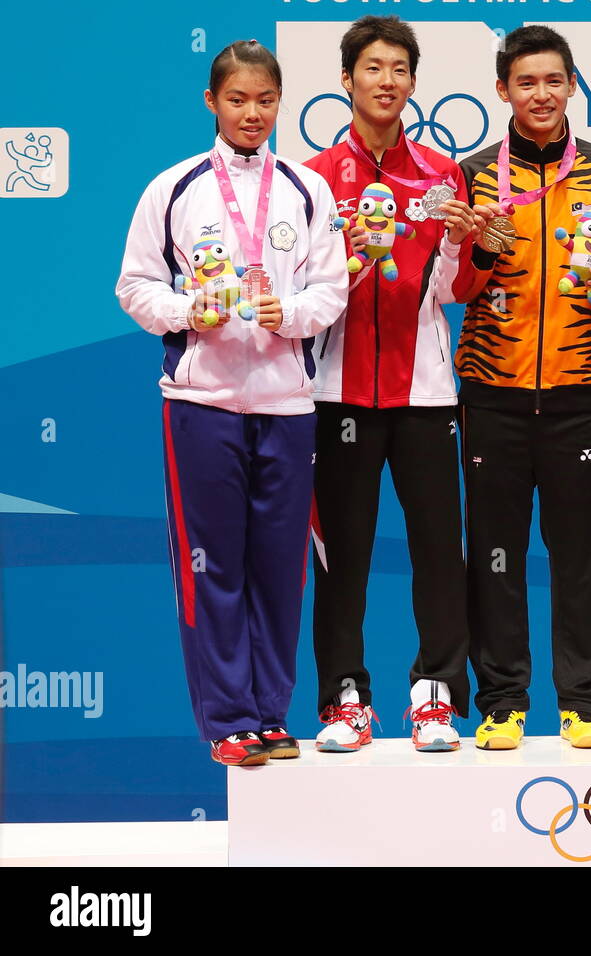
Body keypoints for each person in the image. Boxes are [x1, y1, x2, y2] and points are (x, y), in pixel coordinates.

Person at [116, 40, 348, 766]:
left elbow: (331, 288)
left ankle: (270, 714)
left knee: (279, 568)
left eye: (266, 100)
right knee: (212, 566)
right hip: (201, 401)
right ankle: (227, 719)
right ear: (211, 102)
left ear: (280, 103)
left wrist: (292, 314)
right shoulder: (173, 189)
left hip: (288, 405)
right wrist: (187, 311)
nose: (253, 113)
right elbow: (135, 286)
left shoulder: (307, 188)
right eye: (238, 99)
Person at [454, 25, 591, 750]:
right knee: (494, 553)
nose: (541, 94)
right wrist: (480, 248)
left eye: (553, 81)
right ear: (503, 89)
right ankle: (501, 701)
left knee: (581, 554)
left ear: (572, 86)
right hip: (491, 390)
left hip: (580, 391)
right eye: (526, 82)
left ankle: (583, 702)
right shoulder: (473, 174)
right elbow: (456, 286)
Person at [304, 15, 477, 754]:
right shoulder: (311, 178)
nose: (386, 80)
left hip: (426, 394)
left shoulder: (441, 174)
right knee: (341, 555)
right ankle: (345, 700)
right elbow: (300, 290)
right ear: (346, 79)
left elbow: (457, 290)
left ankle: (435, 698)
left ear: (413, 82)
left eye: (399, 69)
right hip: (337, 392)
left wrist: (463, 242)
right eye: (372, 67)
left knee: (439, 550)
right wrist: (344, 257)